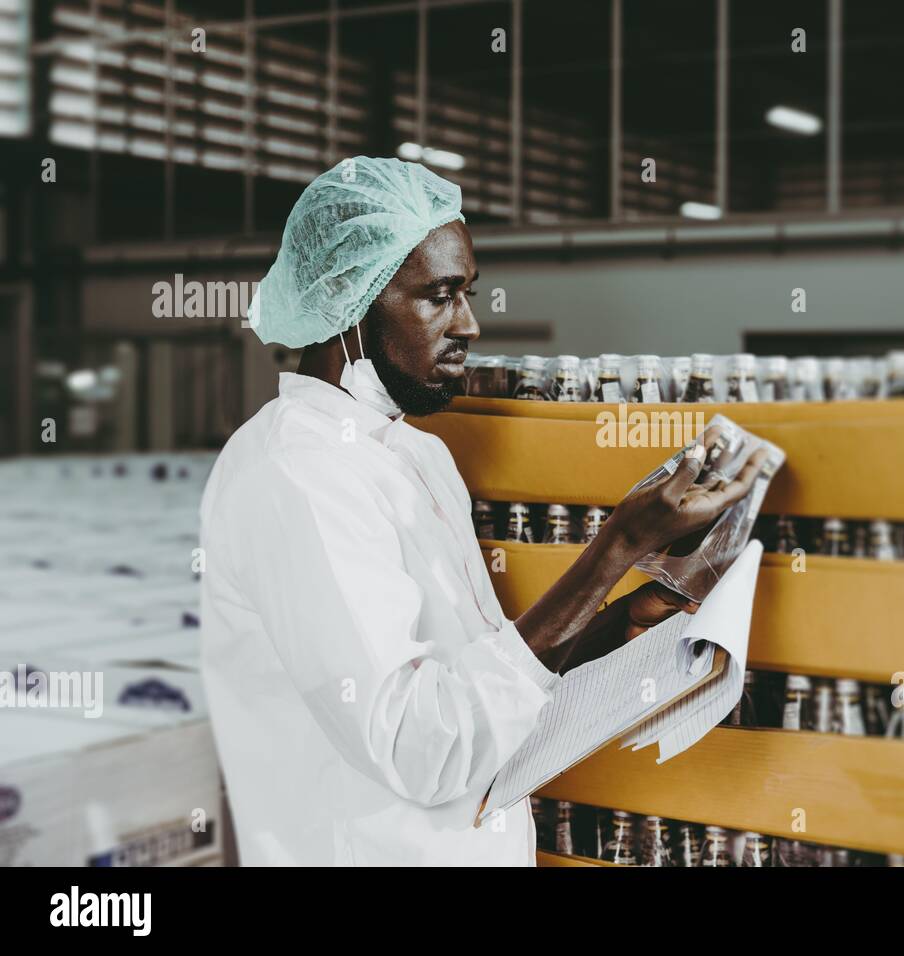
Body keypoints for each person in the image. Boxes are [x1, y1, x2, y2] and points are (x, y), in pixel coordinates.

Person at [199, 156, 765, 866]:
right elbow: (419, 748)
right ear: (349, 300)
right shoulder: (295, 473)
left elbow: (490, 686)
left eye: (468, 293)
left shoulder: (417, 457)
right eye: (438, 296)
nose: (469, 324)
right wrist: (612, 547)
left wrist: (627, 618)